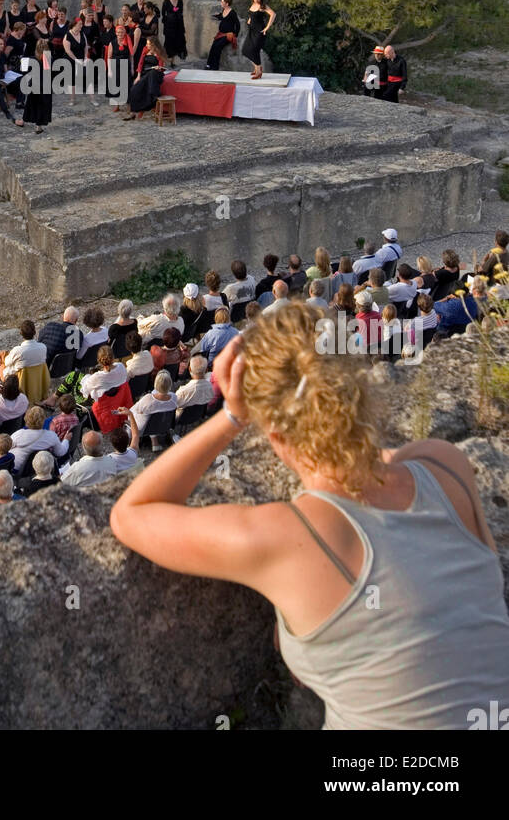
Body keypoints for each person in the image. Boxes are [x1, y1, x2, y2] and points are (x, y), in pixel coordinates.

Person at [110, 304, 509, 731]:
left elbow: (131, 513)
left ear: (275, 434)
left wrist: (232, 415)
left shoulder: (288, 536)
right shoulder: (444, 468)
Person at [10, 408, 70, 473]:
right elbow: (60, 452)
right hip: (37, 468)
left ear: (26, 419)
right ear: (44, 420)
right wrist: (66, 440)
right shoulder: (51, 436)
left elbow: (7, 447)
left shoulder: (19, 434)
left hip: (16, 468)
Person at [4, 321, 50, 403]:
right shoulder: (43, 347)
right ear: (35, 332)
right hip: (38, 382)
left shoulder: (18, 350)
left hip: (22, 383)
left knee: (2, 359)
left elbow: (6, 363)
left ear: (21, 333)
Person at [130, 370, 178, 447]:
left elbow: (134, 410)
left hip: (145, 429)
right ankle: (154, 441)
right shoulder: (174, 398)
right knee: (153, 416)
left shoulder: (148, 398)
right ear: (170, 384)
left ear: (156, 384)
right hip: (163, 425)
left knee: (138, 414)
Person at [123, 38, 166, 120]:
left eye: (148, 44)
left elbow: (161, 66)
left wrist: (158, 67)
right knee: (135, 89)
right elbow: (140, 63)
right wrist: (138, 76)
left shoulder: (159, 52)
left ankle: (151, 96)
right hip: (145, 73)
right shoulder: (145, 49)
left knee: (152, 73)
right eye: (147, 44)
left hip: (155, 74)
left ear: (153, 45)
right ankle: (133, 112)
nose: (147, 45)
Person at [17, 37, 53, 134]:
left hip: (34, 84)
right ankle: (38, 126)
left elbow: (23, 70)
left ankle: (23, 121)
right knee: (42, 105)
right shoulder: (49, 58)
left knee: (31, 103)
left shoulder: (32, 59)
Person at [240, 0, 275, 81]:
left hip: (259, 31)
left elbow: (273, 14)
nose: (256, 0)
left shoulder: (263, 6)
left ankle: (258, 72)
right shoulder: (253, 4)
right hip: (251, 30)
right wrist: (249, 20)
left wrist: (267, 28)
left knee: (254, 50)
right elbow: (251, 15)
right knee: (245, 50)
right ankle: (257, 68)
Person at [39, 306, 82, 372]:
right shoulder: (79, 334)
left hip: (45, 368)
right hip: (65, 369)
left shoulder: (50, 326)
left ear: (63, 317)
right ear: (76, 321)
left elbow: (39, 341)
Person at [207, 0, 240, 71]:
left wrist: (235, 35)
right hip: (221, 34)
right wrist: (216, 16)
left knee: (218, 46)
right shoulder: (224, 10)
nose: (221, 3)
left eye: (222, 2)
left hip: (228, 35)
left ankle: (215, 67)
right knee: (213, 45)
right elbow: (222, 17)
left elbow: (237, 24)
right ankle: (209, 64)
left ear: (227, 4)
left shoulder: (232, 13)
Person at [161, 0, 187, 64]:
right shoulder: (166, 1)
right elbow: (163, 13)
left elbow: (181, 11)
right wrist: (170, 16)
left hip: (178, 25)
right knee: (169, 43)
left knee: (179, 42)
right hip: (169, 26)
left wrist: (175, 12)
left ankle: (173, 61)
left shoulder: (180, 1)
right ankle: (168, 61)